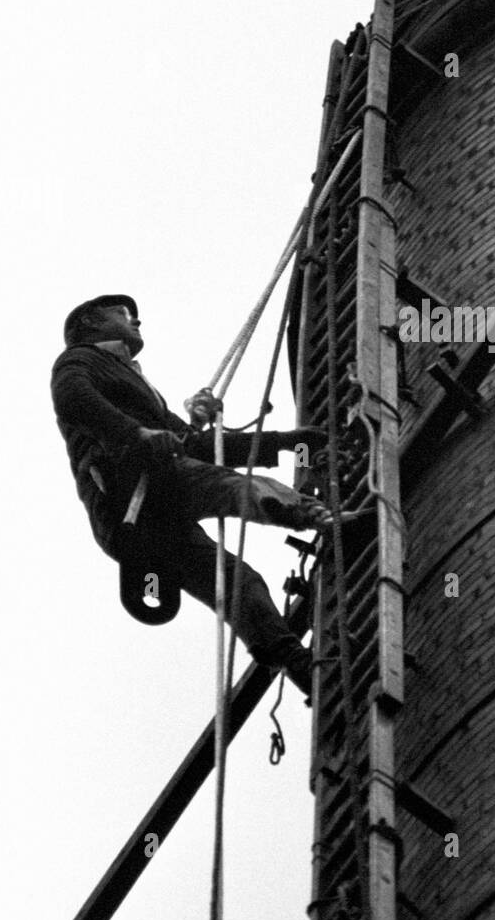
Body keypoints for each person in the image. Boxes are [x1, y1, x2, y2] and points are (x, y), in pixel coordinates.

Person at [51, 293, 342, 696]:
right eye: (123, 314)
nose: (136, 321)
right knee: (233, 488)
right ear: (90, 322)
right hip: (131, 485)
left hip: (143, 514)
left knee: (235, 580)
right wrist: (136, 435)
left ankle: (295, 662)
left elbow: (195, 446)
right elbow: (73, 399)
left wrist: (285, 442)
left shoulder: (137, 384)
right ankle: (317, 515)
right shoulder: (80, 360)